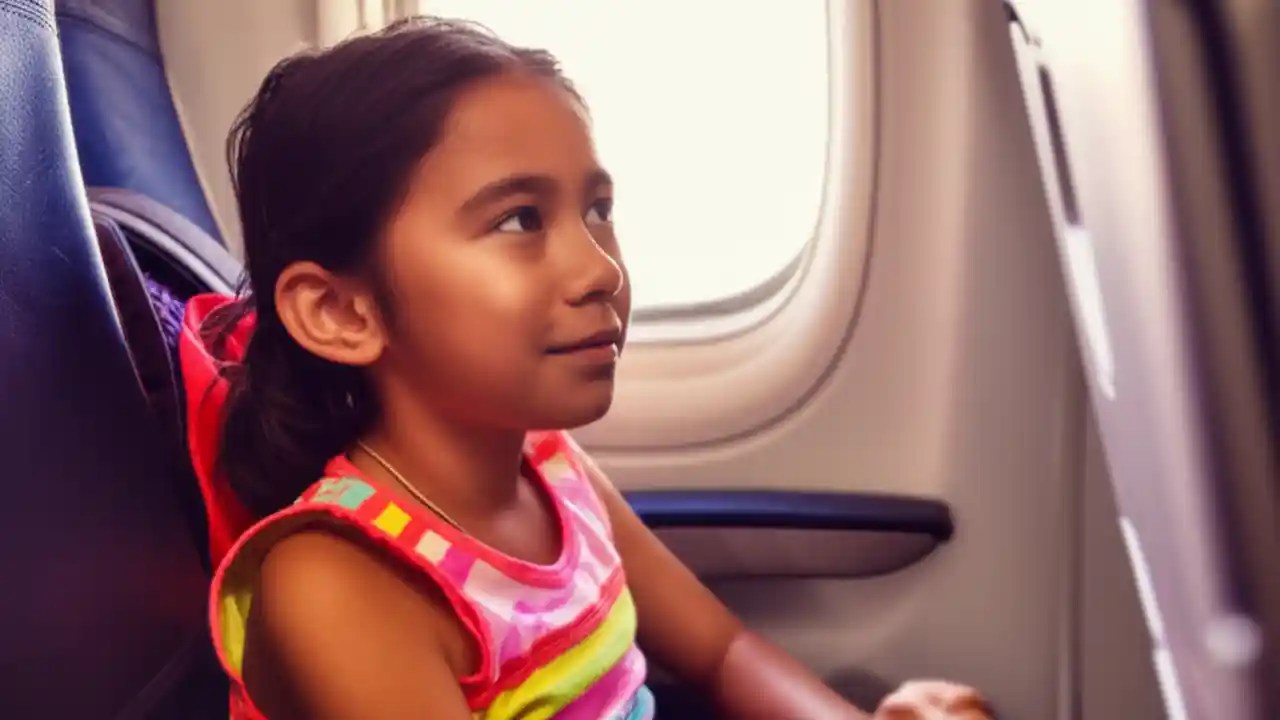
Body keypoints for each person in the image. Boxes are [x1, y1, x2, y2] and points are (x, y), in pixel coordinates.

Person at [179, 17, 995, 720]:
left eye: (597, 210)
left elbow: (722, 651)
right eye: (519, 220)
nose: (599, 268)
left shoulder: (548, 463)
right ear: (341, 313)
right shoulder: (337, 581)